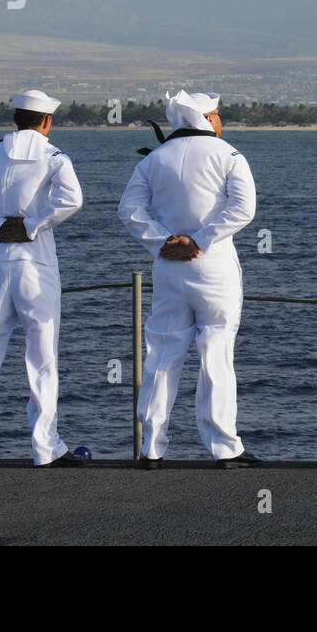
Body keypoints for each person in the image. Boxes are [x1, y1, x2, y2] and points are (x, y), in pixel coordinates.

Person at [118, 90, 259, 469]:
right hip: (213, 266)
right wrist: (200, 240)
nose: (220, 121)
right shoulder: (228, 154)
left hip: (168, 266)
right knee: (216, 354)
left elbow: (128, 210)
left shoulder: (155, 159)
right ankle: (224, 447)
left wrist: (162, 241)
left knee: (162, 352)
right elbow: (244, 208)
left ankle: (151, 447)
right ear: (207, 118)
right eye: (217, 114)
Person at [0, 89, 84, 467]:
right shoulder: (54, 156)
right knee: (41, 358)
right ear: (46, 121)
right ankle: (45, 447)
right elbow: (72, 201)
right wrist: (33, 225)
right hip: (36, 266)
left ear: (15, 119)